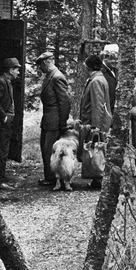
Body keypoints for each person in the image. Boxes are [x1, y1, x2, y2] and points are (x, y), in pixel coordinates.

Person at [35, 50, 70, 186]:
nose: (40, 68)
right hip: (48, 119)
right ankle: (49, 176)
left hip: (54, 120)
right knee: (46, 149)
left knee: (50, 150)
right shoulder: (50, 76)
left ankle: (52, 178)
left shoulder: (57, 77)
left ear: (45, 63)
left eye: (40, 65)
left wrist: (62, 123)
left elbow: (64, 102)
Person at [78, 53, 113, 189]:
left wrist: (96, 126)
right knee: (96, 149)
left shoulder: (96, 81)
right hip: (94, 121)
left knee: (96, 149)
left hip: (94, 122)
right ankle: (97, 179)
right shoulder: (98, 78)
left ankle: (99, 178)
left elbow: (98, 105)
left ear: (89, 67)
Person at [0, 57, 21, 190]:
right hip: (2, 123)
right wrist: (4, 117)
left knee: (4, 150)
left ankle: (0, 177)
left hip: (7, 122)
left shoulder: (7, 81)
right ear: (10, 70)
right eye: (16, 69)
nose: (18, 72)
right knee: (1, 151)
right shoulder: (1, 82)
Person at [101, 43, 119, 113]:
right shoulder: (101, 73)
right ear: (105, 57)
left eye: (116, 59)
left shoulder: (116, 71)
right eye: (112, 59)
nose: (115, 61)